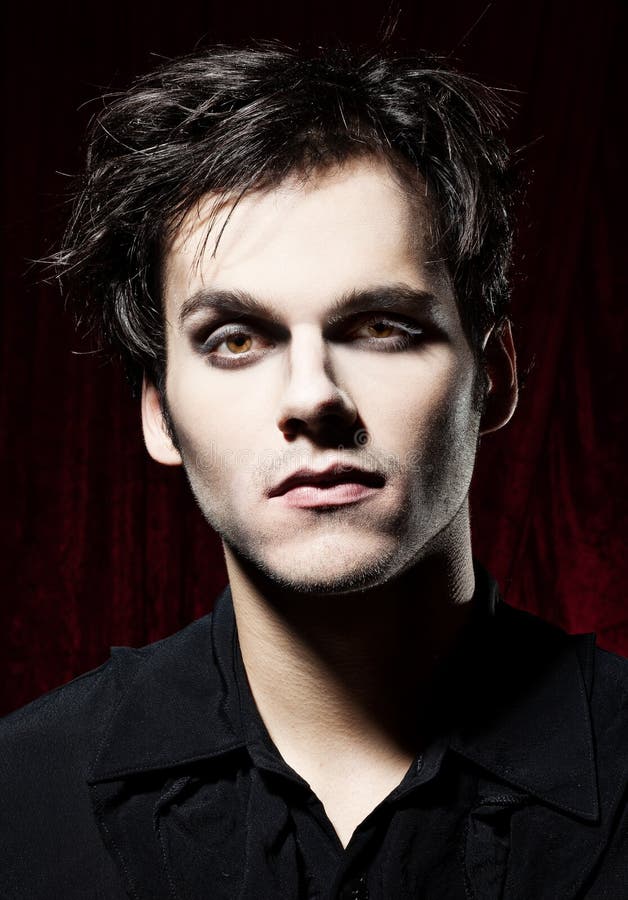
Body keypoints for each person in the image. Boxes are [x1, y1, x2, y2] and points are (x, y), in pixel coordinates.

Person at [1, 41, 627, 900]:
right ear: (158, 413)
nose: (312, 396)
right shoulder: (21, 804)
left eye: (380, 326)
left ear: (495, 376)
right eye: (235, 339)